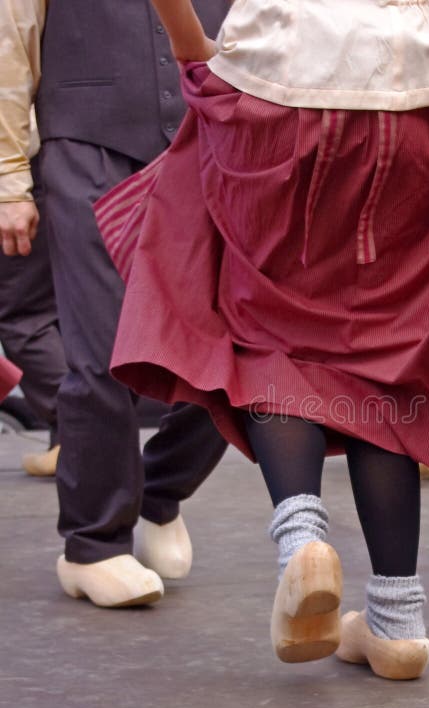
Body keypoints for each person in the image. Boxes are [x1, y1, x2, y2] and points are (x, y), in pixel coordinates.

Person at [94, 0, 429, 679]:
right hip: (408, 87)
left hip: (272, 76)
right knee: (383, 347)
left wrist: (192, 47)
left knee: (271, 332)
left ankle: (302, 543)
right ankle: (397, 619)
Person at [0, 0, 230, 608]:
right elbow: (10, 38)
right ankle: (93, 544)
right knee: (101, 350)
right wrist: (7, 177)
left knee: (234, 350)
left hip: (209, 145)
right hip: (84, 143)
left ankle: (158, 490)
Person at [0, 152, 66, 476]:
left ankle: (83, 428)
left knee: (23, 314)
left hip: (19, 171)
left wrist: (11, 189)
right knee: (56, 306)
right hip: (51, 161)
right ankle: (68, 439)